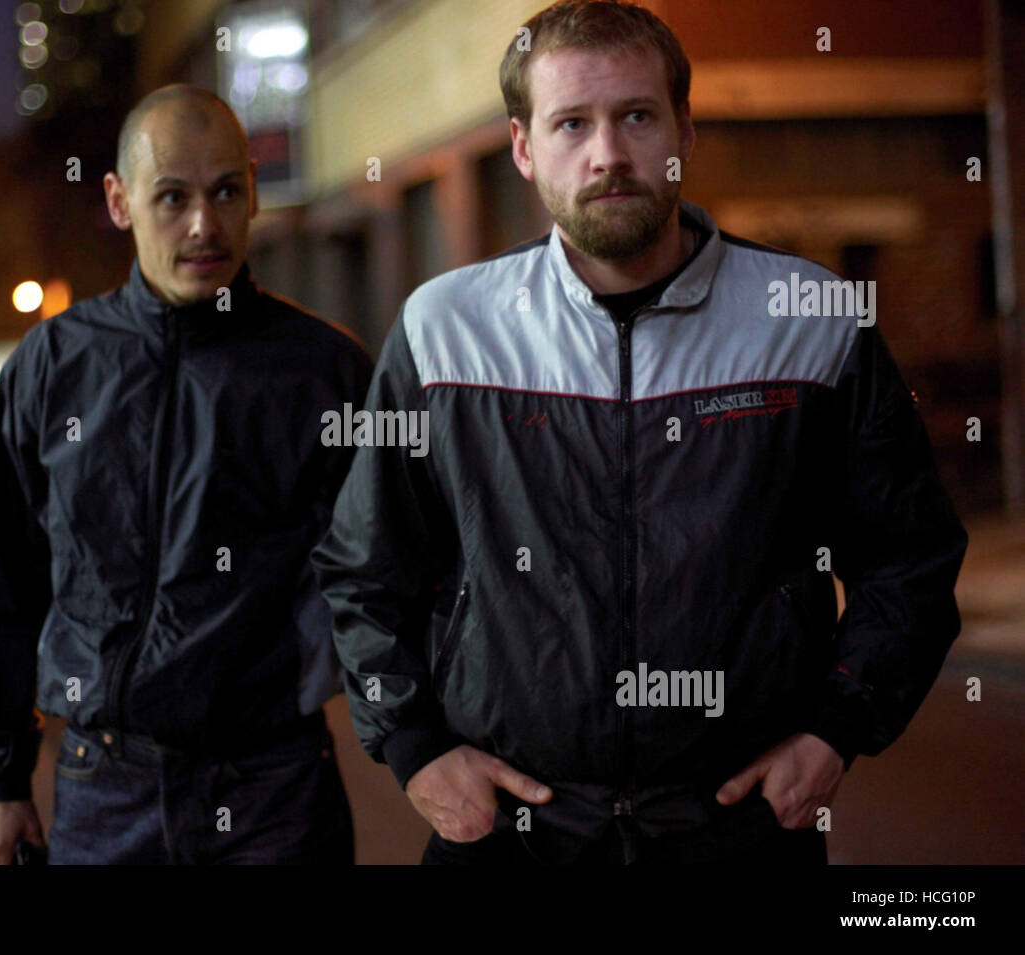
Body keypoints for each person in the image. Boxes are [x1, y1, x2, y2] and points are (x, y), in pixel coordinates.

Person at [311, 0, 968, 865]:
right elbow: (366, 568)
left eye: (636, 116)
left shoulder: (812, 321)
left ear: (684, 129)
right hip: (514, 833)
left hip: (736, 831)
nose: (608, 154)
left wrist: (837, 729)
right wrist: (414, 746)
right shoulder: (445, 329)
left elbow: (908, 561)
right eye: (571, 123)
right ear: (523, 146)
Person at [0, 84, 371, 864]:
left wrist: (426, 746)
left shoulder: (325, 372)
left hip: (273, 790)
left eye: (225, 192)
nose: (203, 226)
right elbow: (2, 587)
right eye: (172, 197)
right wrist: (0, 778)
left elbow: (399, 578)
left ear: (253, 189)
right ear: (119, 201)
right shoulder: (52, 368)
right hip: (105, 784)